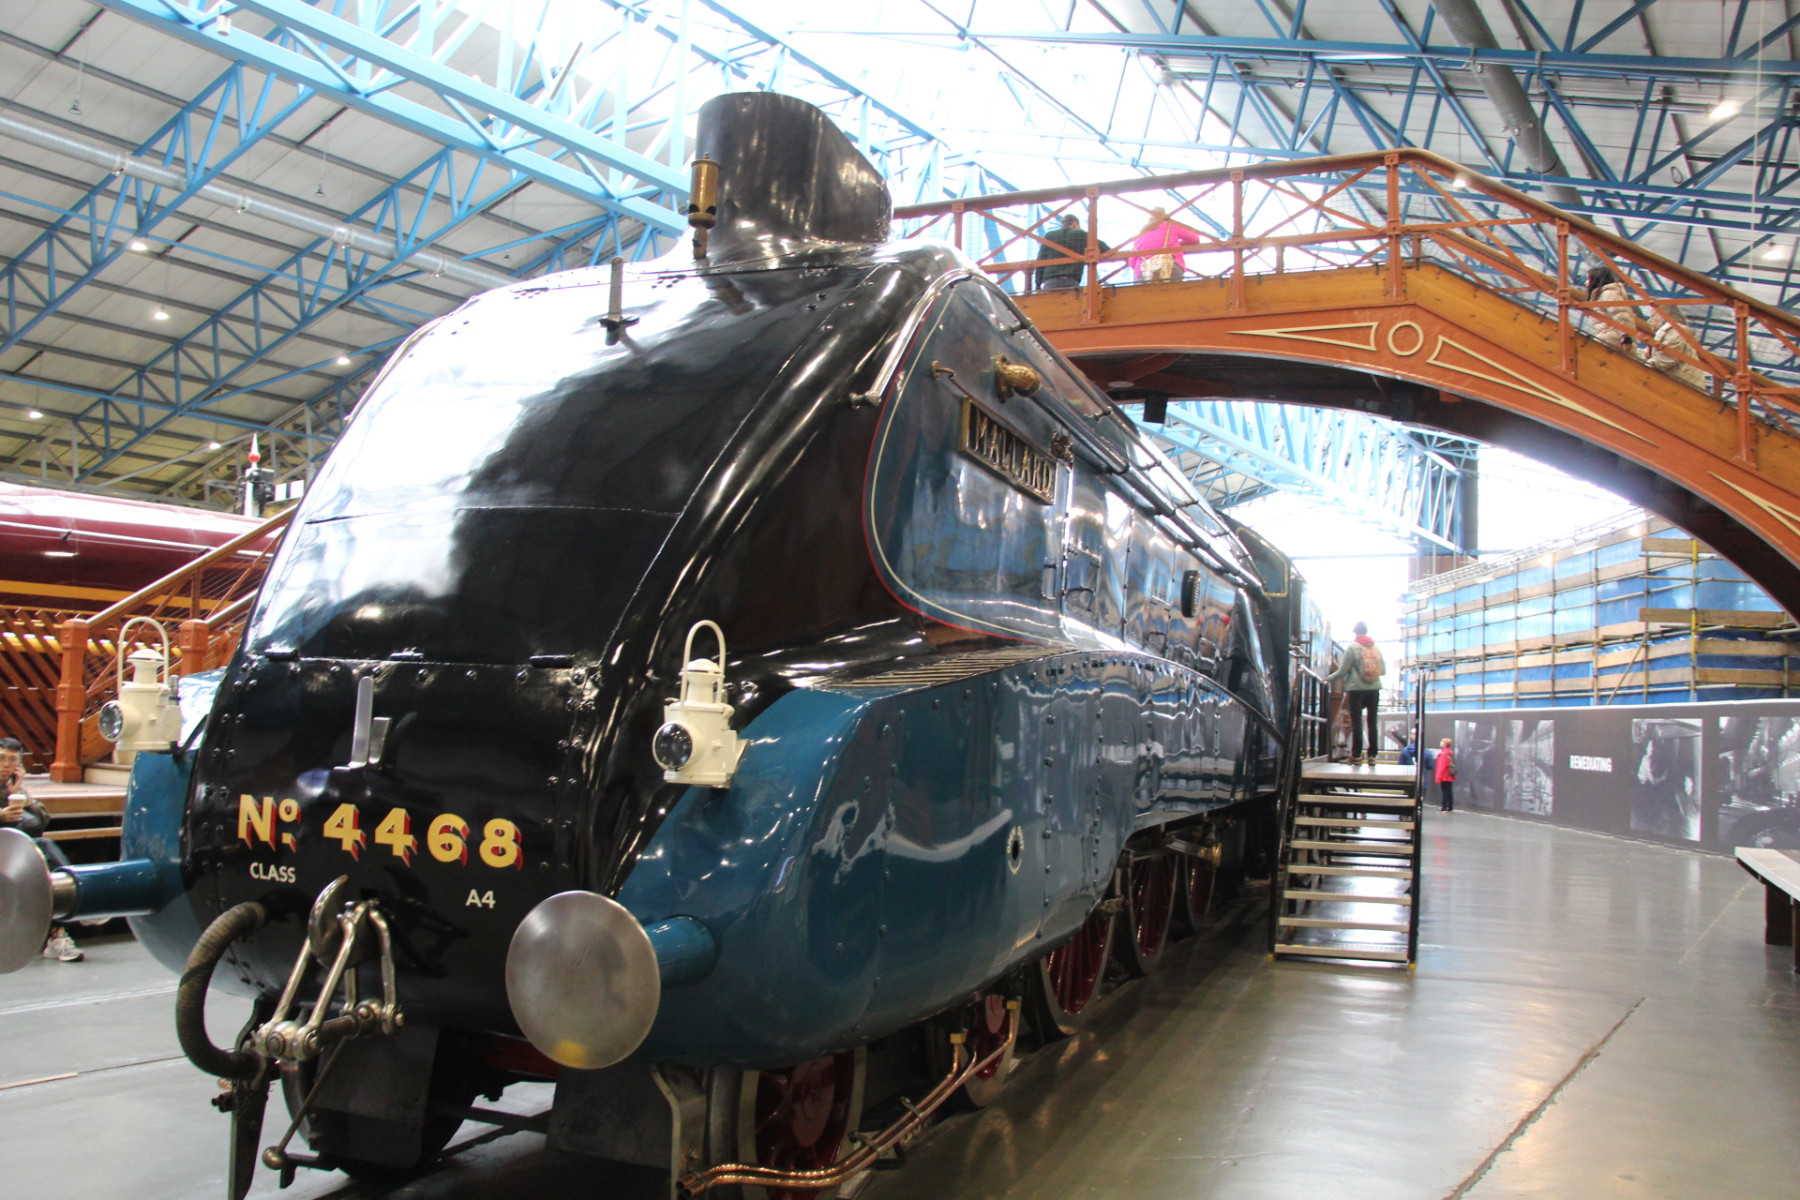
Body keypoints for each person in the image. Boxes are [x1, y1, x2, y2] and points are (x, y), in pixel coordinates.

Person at [0, 738, 82, 962]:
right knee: (41, 850)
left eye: (12, 761)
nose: (6, 765)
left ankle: (59, 931)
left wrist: (23, 800)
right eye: (1, 759)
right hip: (7, 853)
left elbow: (39, 824)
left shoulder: (14, 790)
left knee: (40, 866)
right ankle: (80, 892)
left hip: (13, 854)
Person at [1329, 622, 1385, 765]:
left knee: (1357, 723)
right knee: (1372, 722)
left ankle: (1356, 755)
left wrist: (1328, 679)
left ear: (1355, 632)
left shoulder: (1353, 648)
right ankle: (1372, 756)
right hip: (1374, 689)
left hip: (1356, 690)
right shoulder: (1375, 647)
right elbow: (1383, 670)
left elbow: (1342, 671)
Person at [1034, 215, 1107, 291]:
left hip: (1050, 282)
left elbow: (1040, 261)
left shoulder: (1049, 235)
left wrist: (1038, 285)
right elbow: (1105, 249)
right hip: (1071, 281)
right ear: (1075, 224)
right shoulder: (1081, 234)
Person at [1130, 207, 1201, 283]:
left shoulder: (1141, 234)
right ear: (1165, 216)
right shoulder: (1171, 226)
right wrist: (1178, 245)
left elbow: (1132, 260)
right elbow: (1194, 239)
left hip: (1144, 274)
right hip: (1170, 269)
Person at [1583, 265, 1645, 351]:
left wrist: (1626, 339)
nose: (1586, 283)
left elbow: (1621, 316)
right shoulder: (1603, 295)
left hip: (1613, 343)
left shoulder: (1608, 294)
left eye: (1588, 279)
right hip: (1612, 340)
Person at [1644, 308, 1706, 388]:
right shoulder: (1675, 331)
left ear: (1662, 315)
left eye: (1653, 316)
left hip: (1685, 386)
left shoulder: (1675, 332)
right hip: (1686, 383)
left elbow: (1667, 358)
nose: (1650, 320)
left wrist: (1643, 366)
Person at [1435, 737, 1457, 812]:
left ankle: (1444, 807)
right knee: (1449, 790)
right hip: (1449, 775)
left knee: (1444, 790)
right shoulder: (1450, 752)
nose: (1440, 743)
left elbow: (1441, 766)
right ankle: (1450, 807)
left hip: (1444, 776)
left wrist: (1438, 777)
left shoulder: (1443, 754)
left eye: (1442, 742)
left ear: (1445, 744)